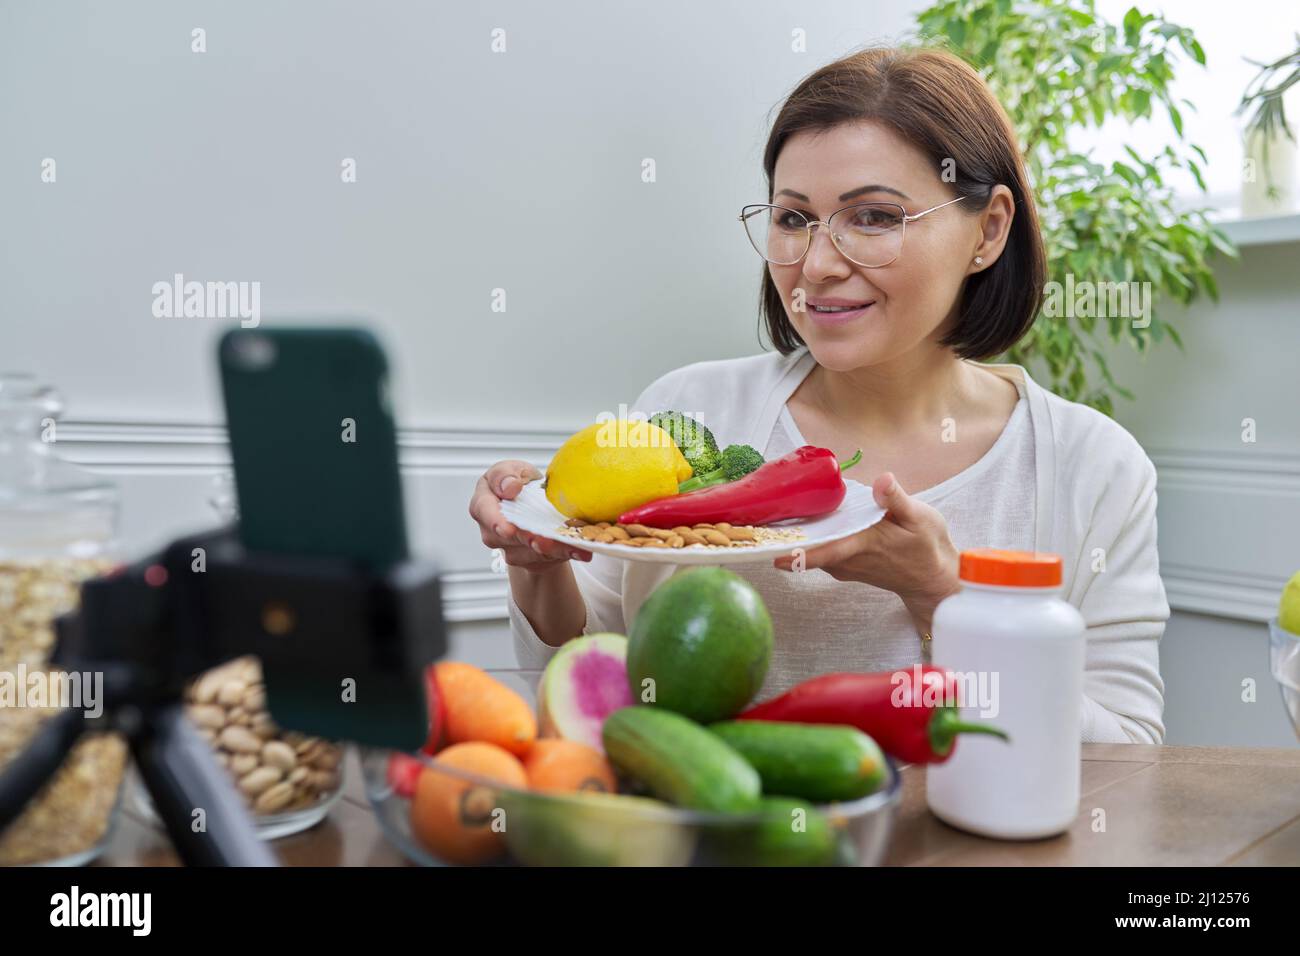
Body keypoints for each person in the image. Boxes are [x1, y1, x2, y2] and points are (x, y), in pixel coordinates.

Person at [468, 47, 1167, 744]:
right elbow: (587, 690)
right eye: (794, 219)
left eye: (875, 217)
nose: (819, 266)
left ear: (988, 230)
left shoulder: (1092, 466)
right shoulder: (686, 411)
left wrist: (941, 595)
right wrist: (537, 566)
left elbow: (1130, 750)